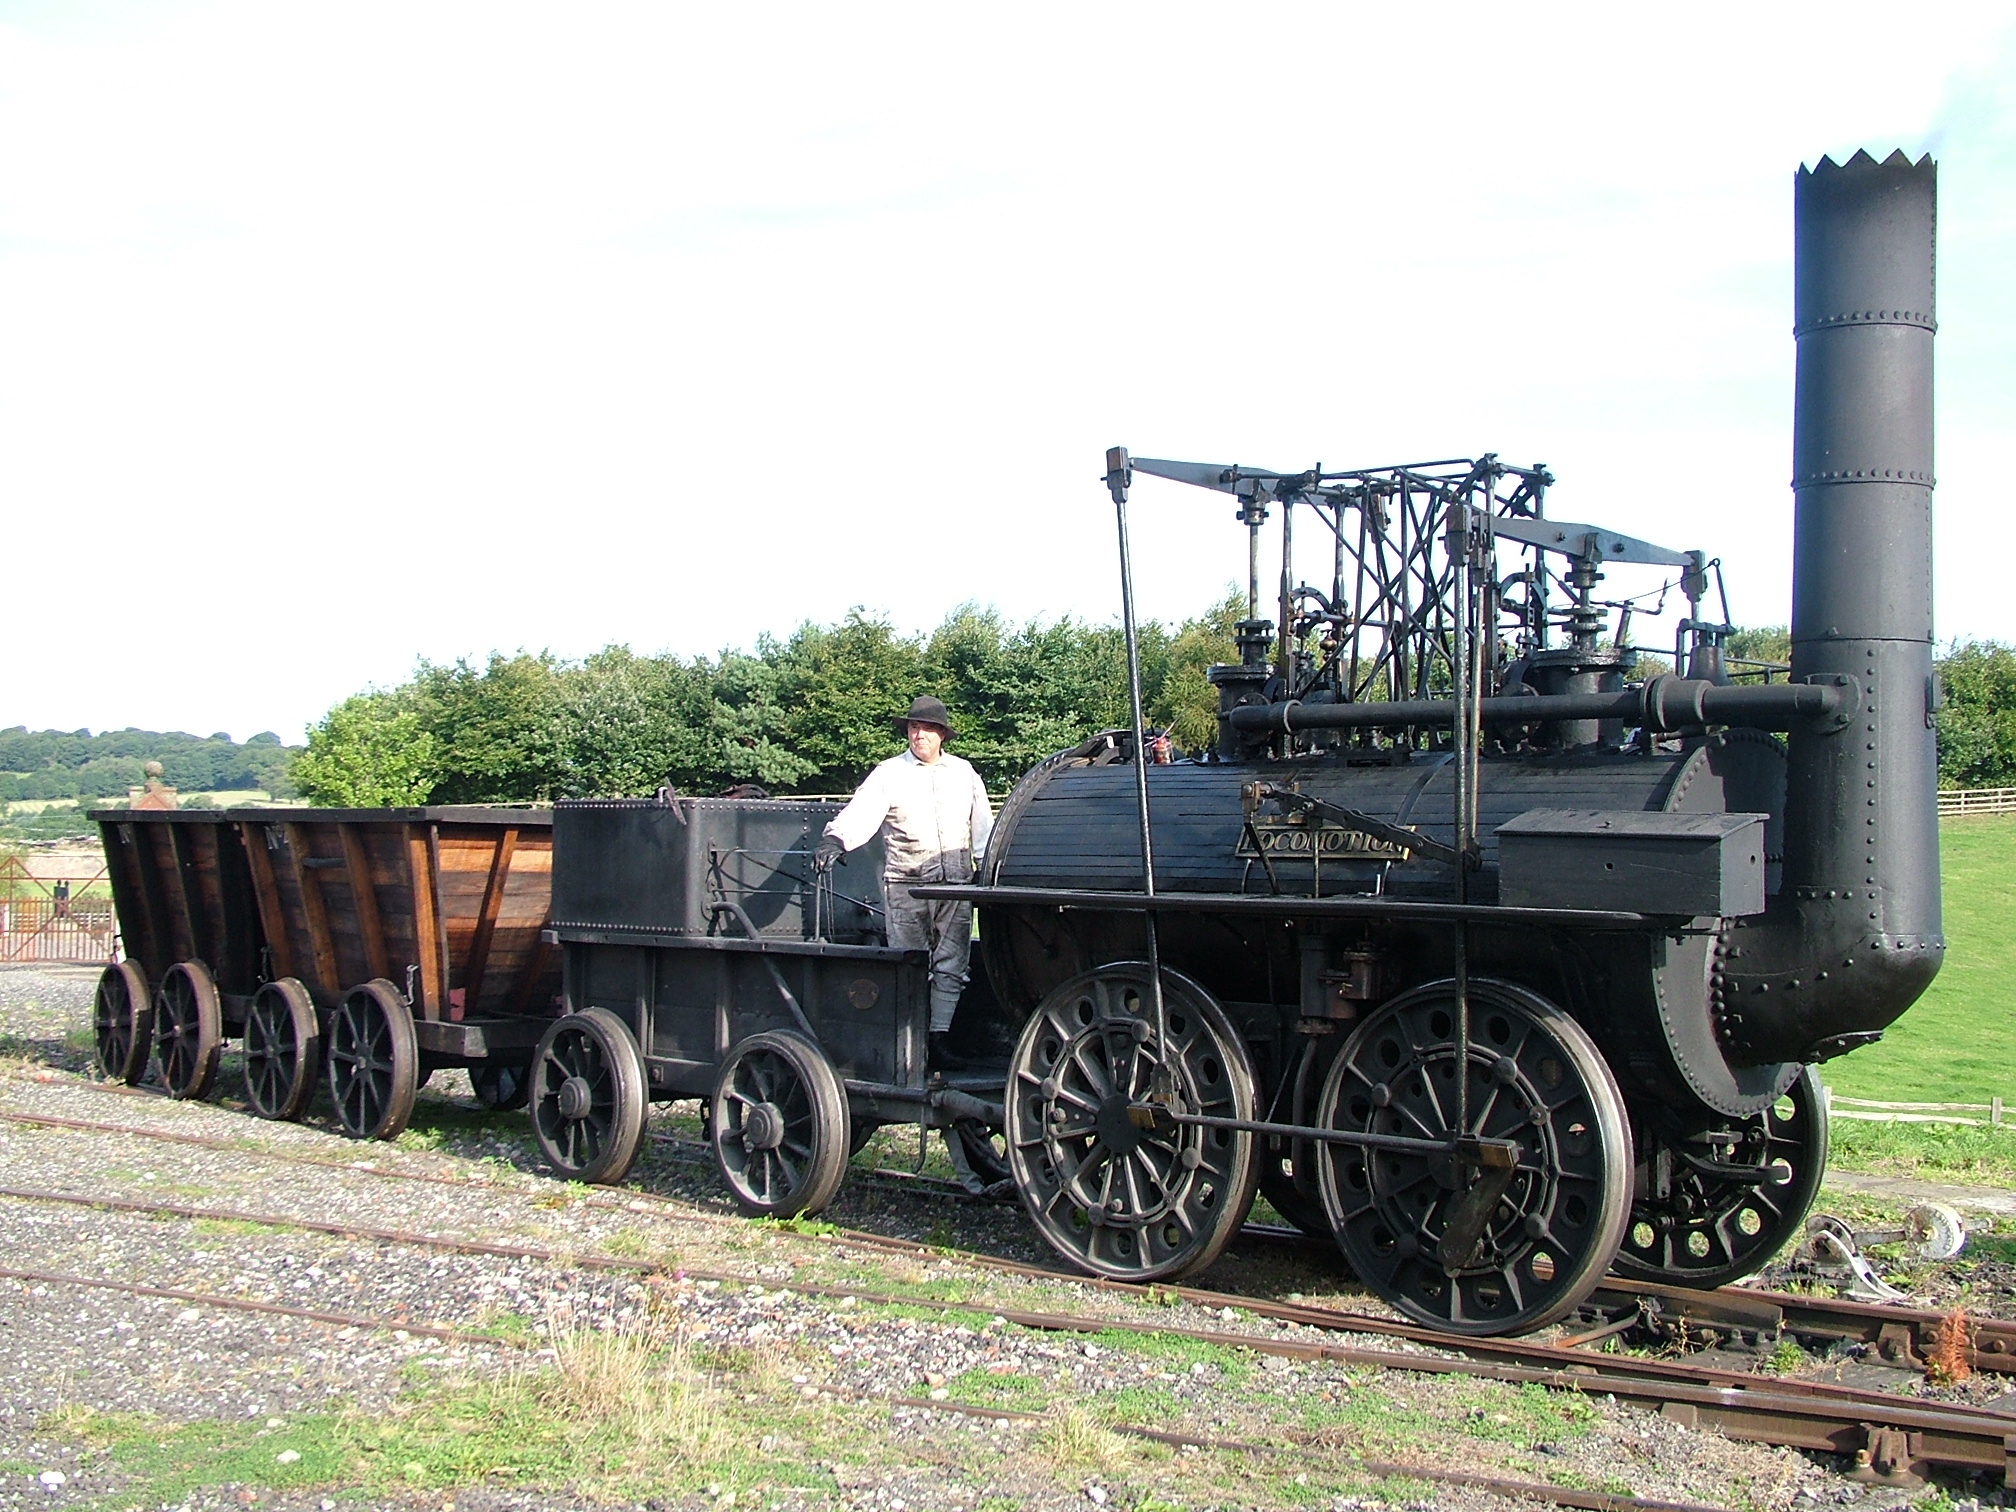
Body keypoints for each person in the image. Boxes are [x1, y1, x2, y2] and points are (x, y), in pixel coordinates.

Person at [815, 695, 993, 1070]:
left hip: (956, 885)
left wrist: (988, 865)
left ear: (941, 734)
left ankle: (938, 1040)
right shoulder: (889, 773)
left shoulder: (964, 774)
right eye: (913, 728)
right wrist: (837, 839)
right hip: (906, 885)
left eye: (926, 729)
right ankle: (910, 1047)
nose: (918, 735)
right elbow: (862, 811)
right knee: (910, 965)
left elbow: (982, 829)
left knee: (951, 966)